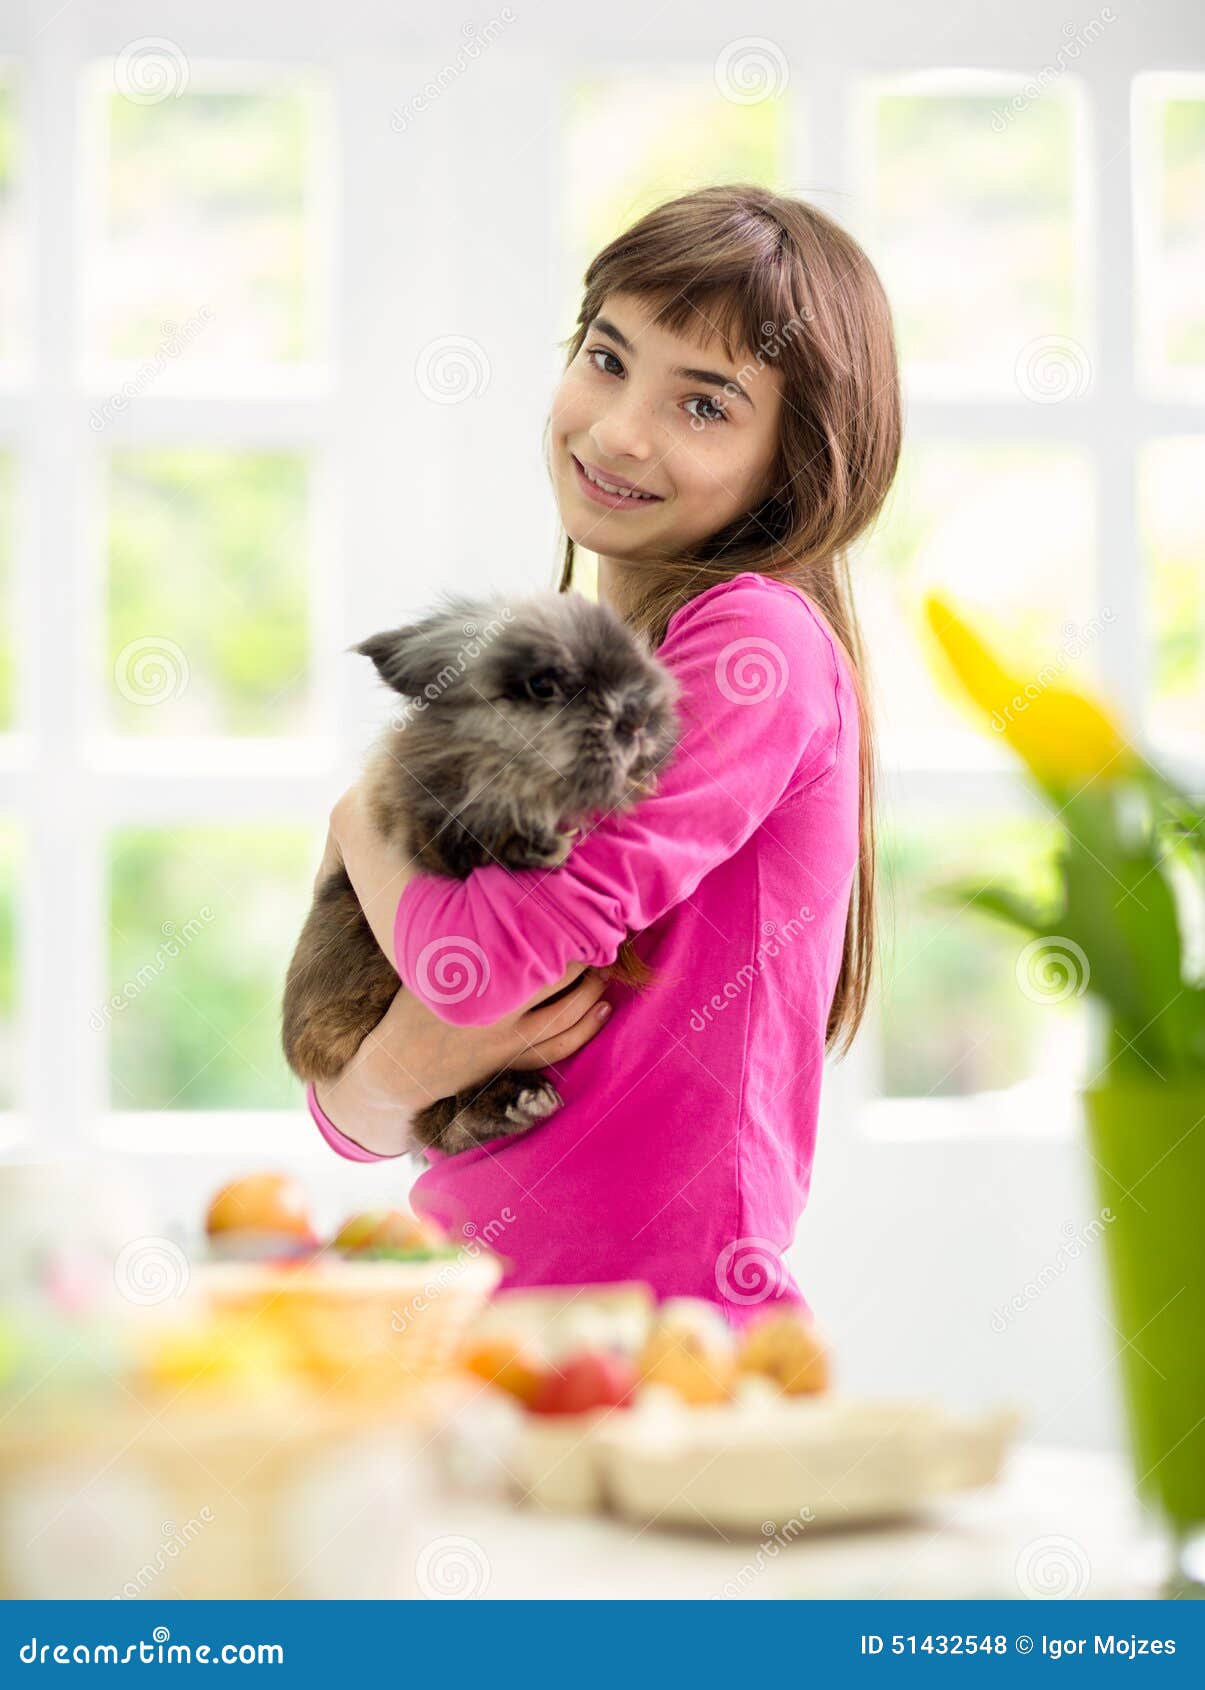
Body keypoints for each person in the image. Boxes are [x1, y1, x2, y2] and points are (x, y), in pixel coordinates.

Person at [307, 183, 901, 1324]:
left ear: (796, 461)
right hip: (474, 1316)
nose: (620, 429)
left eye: (705, 405)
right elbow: (351, 1107)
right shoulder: (565, 663)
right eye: (606, 356)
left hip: (655, 1333)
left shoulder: (755, 648)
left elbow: (480, 969)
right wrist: (400, 1069)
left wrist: (361, 829)